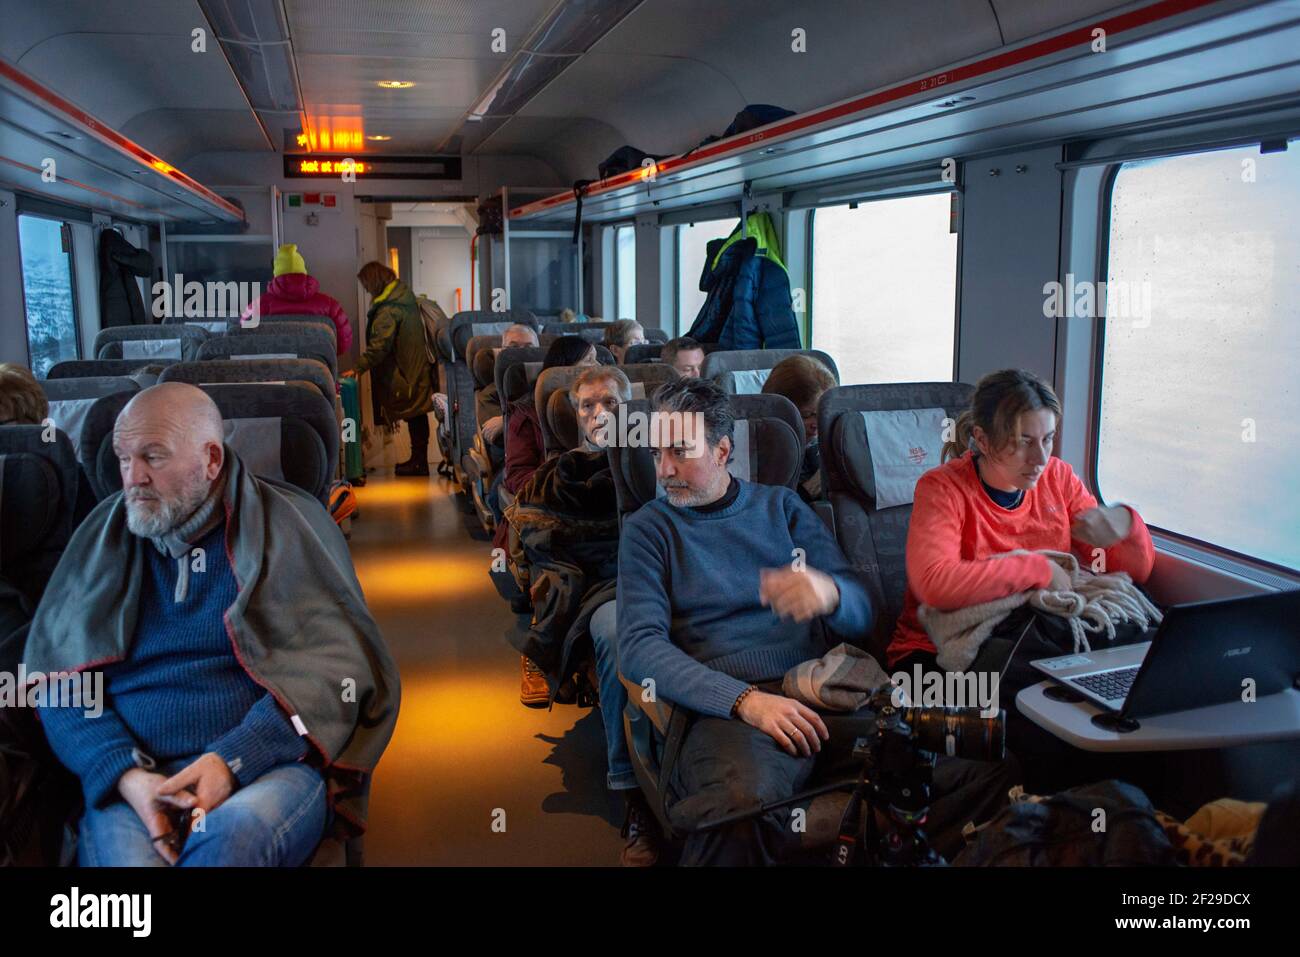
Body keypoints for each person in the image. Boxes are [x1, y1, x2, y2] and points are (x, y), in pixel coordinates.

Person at [26, 382, 399, 866]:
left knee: (230, 842)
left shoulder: (290, 526)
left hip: (268, 767)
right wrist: (125, 773)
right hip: (135, 774)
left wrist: (234, 759)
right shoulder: (100, 540)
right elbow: (61, 683)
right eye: (123, 458)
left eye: (153, 457)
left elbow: (337, 681)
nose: (132, 478)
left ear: (211, 461)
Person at [612, 378, 875, 865]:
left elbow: (863, 615)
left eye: (679, 451)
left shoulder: (782, 507)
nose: (664, 469)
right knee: (738, 810)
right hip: (727, 708)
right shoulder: (650, 529)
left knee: (960, 764)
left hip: (818, 690)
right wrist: (744, 702)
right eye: (655, 454)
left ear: (723, 450)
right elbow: (640, 648)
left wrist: (832, 593)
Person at [886, 369, 1156, 784]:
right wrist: (1037, 568)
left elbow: (1128, 574)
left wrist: (1125, 525)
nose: (1040, 458)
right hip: (931, 658)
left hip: (1029, 640)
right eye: (1023, 443)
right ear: (983, 439)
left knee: (1111, 697)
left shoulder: (1059, 479)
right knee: (1040, 723)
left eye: (1047, 439)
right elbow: (935, 583)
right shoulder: (942, 488)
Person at [508, 366, 631, 707]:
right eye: (588, 406)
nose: (600, 414)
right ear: (577, 416)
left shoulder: (652, 464)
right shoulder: (555, 475)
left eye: (610, 402)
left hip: (628, 565)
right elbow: (533, 538)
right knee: (560, 575)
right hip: (581, 573)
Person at [345, 262, 433, 477]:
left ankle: (418, 463)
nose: (366, 291)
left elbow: (379, 346)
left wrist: (358, 367)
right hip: (415, 368)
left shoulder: (389, 309)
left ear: (374, 282)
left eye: (366, 286)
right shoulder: (404, 298)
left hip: (405, 371)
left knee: (415, 415)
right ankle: (418, 461)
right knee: (417, 414)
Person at [240, 244, 353, 355]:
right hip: (318, 368)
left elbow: (243, 336)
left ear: (276, 274)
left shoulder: (258, 305)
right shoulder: (330, 305)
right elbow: (343, 343)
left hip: (271, 368)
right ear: (303, 271)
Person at [761, 354, 836, 503]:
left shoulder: (835, 442)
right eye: (807, 415)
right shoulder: (762, 451)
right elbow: (767, 509)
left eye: (822, 415)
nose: (816, 425)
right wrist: (809, 489)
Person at [478, 323, 540, 445]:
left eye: (529, 348)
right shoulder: (490, 395)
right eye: (514, 348)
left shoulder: (548, 384)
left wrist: (506, 421)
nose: (521, 354)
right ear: (502, 353)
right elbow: (499, 439)